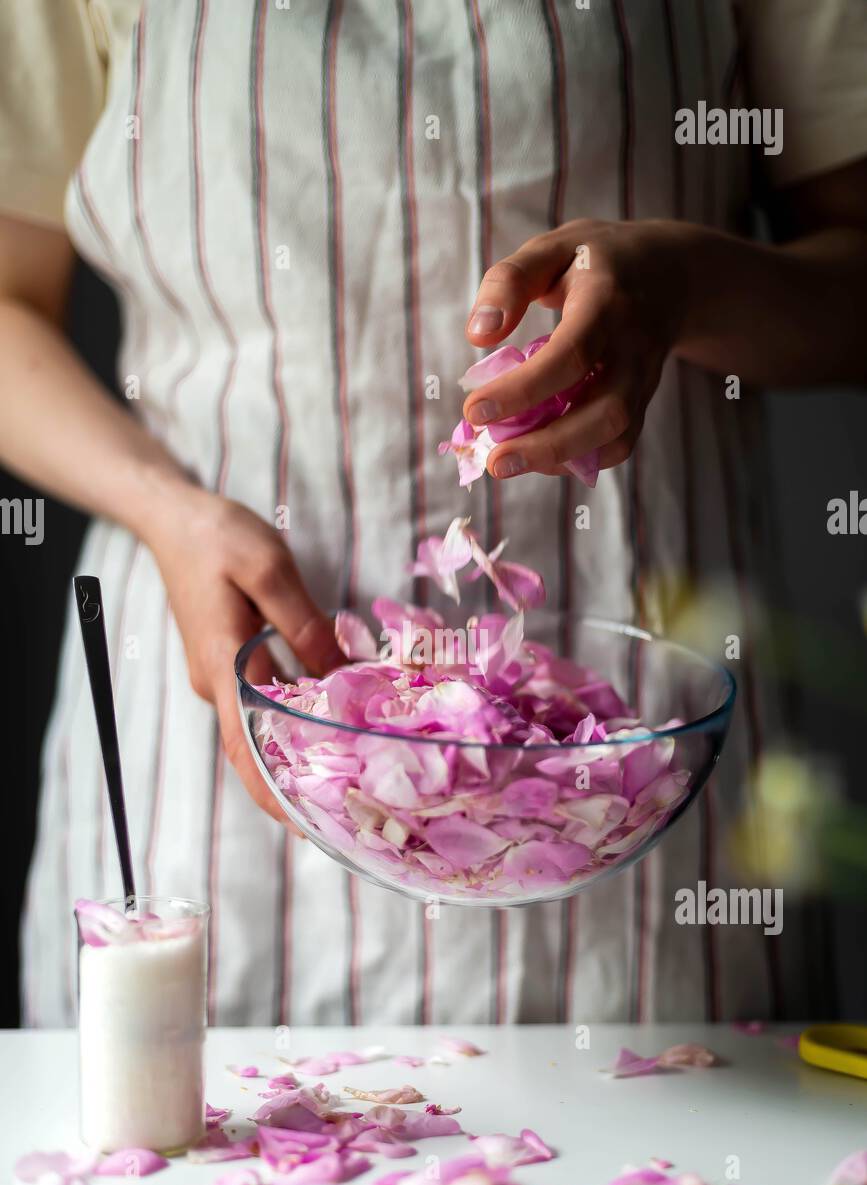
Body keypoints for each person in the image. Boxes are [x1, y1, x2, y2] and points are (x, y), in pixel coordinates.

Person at [2, 0, 866, 1027]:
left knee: (701, 1152)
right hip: (225, 723)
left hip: (639, 777)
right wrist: (166, 510)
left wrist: (688, 283)